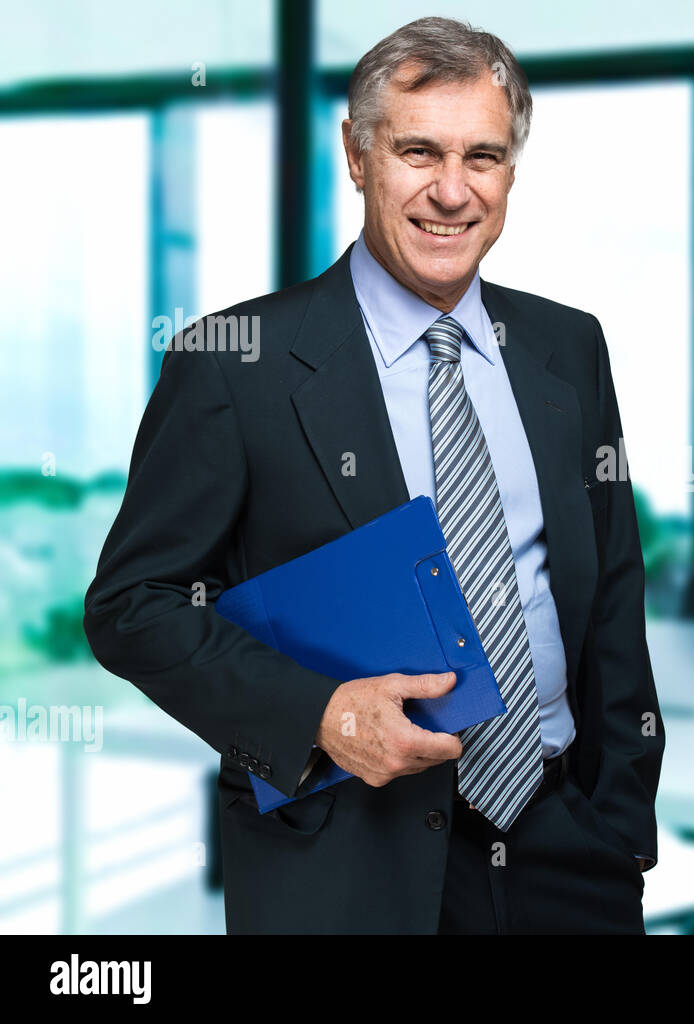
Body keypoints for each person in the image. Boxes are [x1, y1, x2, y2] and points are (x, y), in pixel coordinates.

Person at [83, 15, 664, 935]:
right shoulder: (237, 365)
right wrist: (317, 713)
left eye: (483, 156)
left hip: (567, 849)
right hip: (348, 859)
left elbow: (610, 595)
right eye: (417, 151)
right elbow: (133, 604)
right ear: (357, 156)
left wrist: (621, 827)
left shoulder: (568, 348)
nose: (451, 191)